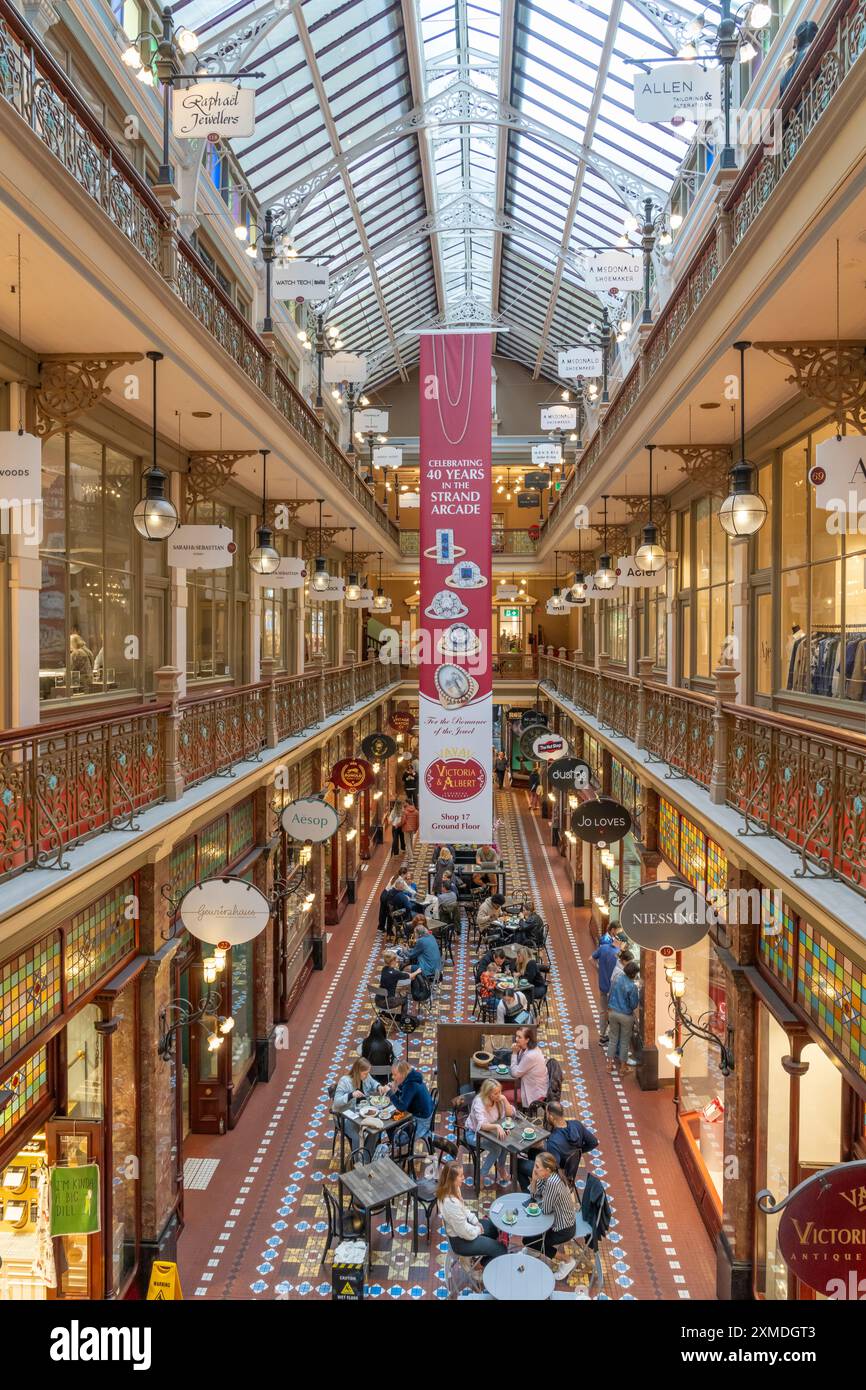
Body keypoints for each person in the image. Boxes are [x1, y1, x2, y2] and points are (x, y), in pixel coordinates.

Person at [437, 1161, 504, 1265]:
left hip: (465, 1227)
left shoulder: (454, 1188)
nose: (464, 1177)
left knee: (492, 1229)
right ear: (452, 1180)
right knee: (501, 1250)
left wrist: (475, 1221)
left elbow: (463, 1209)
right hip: (461, 1242)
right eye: (461, 1176)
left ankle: (484, 1259)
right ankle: (487, 1272)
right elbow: (464, 1232)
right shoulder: (450, 1203)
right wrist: (478, 1230)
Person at [526, 1152, 577, 1279]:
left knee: (529, 1241)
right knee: (530, 1237)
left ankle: (567, 1260)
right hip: (554, 1221)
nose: (535, 1169)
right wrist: (534, 1178)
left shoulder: (553, 1183)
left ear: (547, 1169)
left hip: (564, 1228)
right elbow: (534, 1195)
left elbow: (545, 1210)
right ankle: (534, 1252)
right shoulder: (548, 1177)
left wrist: (538, 1199)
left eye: (537, 1167)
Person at [465, 1078, 512, 1186]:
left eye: (500, 1092)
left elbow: (509, 1114)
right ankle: (482, 1175)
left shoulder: (498, 1099)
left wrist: (504, 1099)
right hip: (473, 1134)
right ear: (488, 1093)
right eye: (496, 1093)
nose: (498, 1095)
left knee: (506, 1142)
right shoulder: (479, 1102)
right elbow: (481, 1125)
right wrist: (496, 1127)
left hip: (490, 1132)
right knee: (496, 1148)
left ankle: (500, 1167)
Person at [333, 1056, 380, 1154]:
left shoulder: (366, 1077)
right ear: (357, 1071)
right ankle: (358, 1161)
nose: (367, 1076)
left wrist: (379, 1087)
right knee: (358, 1136)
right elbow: (336, 1102)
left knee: (376, 1131)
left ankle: (366, 1158)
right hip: (345, 1118)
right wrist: (351, 1095)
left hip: (361, 1114)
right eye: (365, 1073)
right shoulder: (344, 1081)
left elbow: (373, 1083)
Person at [606, 960, 641, 1076]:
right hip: (625, 1016)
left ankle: (609, 1065)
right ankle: (622, 1068)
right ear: (634, 974)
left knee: (613, 1039)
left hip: (613, 1013)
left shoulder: (617, 978)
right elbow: (633, 1004)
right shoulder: (632, 987)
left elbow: (610, 993)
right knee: (624, 1042)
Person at [387, 1059, 434, 1141]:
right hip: (422, 1113)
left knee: (392, 1131)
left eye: (395, 1075)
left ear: (402, 1074)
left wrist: (389, 1093)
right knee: (392, 1122)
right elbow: (406, 1095)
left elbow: (401, 1107)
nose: (392, 1077)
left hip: (422, 1121)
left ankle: (396, 1147)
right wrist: (397, 1089)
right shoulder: (411, 1077)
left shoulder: (411, 1085)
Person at [591, 931, 620, 1046]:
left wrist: (599, 970)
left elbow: (590, 959)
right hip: (613, 990)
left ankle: (602, 1036)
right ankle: (612, 1037)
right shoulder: (618, 954)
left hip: (603, 987)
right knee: (612, 1012)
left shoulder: (603, 948)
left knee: (603, 1011)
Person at [510, 1025, 549, 1108]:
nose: (516, 1039)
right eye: (516, 1036)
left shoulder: (530, 1055)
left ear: (527, 1040)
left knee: (502, 1095)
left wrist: (514, 1053)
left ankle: (513, 1116)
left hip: (533, 1092)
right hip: (529, 1084)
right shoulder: (528, 1048)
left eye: (519, 1037)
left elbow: (515, 1073)